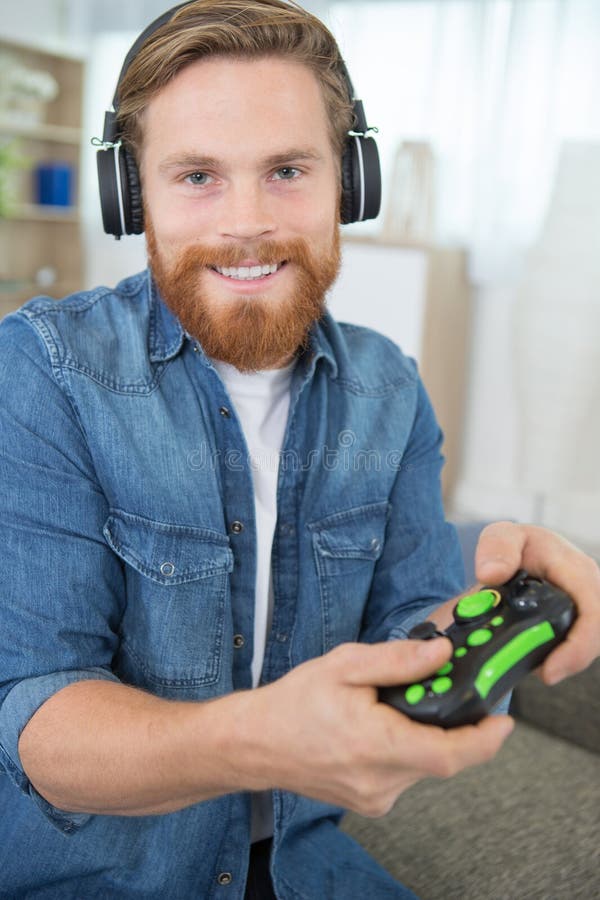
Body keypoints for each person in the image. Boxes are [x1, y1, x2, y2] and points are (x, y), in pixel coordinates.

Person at [0, 1, 598, 897]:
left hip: (304, 864)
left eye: (287, 169)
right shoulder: (42, 371)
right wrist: (255, 738)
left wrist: (483, 610)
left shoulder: (389, 388)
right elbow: (39, 725)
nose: (248, 222)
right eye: (197, 175)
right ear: (132, 196)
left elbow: (412, 624)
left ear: (350, 181)